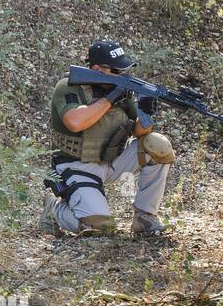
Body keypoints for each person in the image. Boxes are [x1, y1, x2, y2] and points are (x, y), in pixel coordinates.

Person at [41, 40, 175, 237]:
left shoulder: (120, 90)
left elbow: (140, 133)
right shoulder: (69, 86)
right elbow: (75, 122)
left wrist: (146, 113)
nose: (122, 75)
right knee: (100, 228)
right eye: (116, 71)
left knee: (158, 146)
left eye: (124, 71)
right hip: (77, 165)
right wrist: (110, 98)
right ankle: (53, 209)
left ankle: (145, 219)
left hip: (112, 161)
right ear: (97, 69)